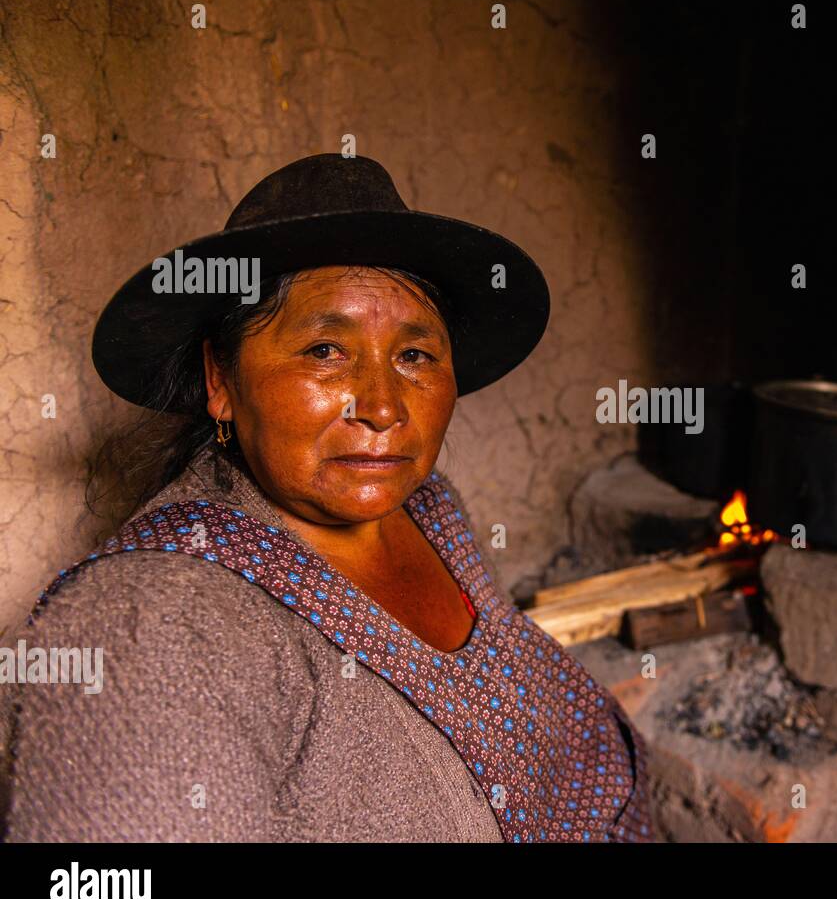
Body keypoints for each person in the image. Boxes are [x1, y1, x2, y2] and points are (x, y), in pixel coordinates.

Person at [0, 154, 655, 843]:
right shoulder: (152, 629)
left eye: (414, 356)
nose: (382, 408)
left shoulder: (432, 510)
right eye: (324, 351)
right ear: (220, 379)